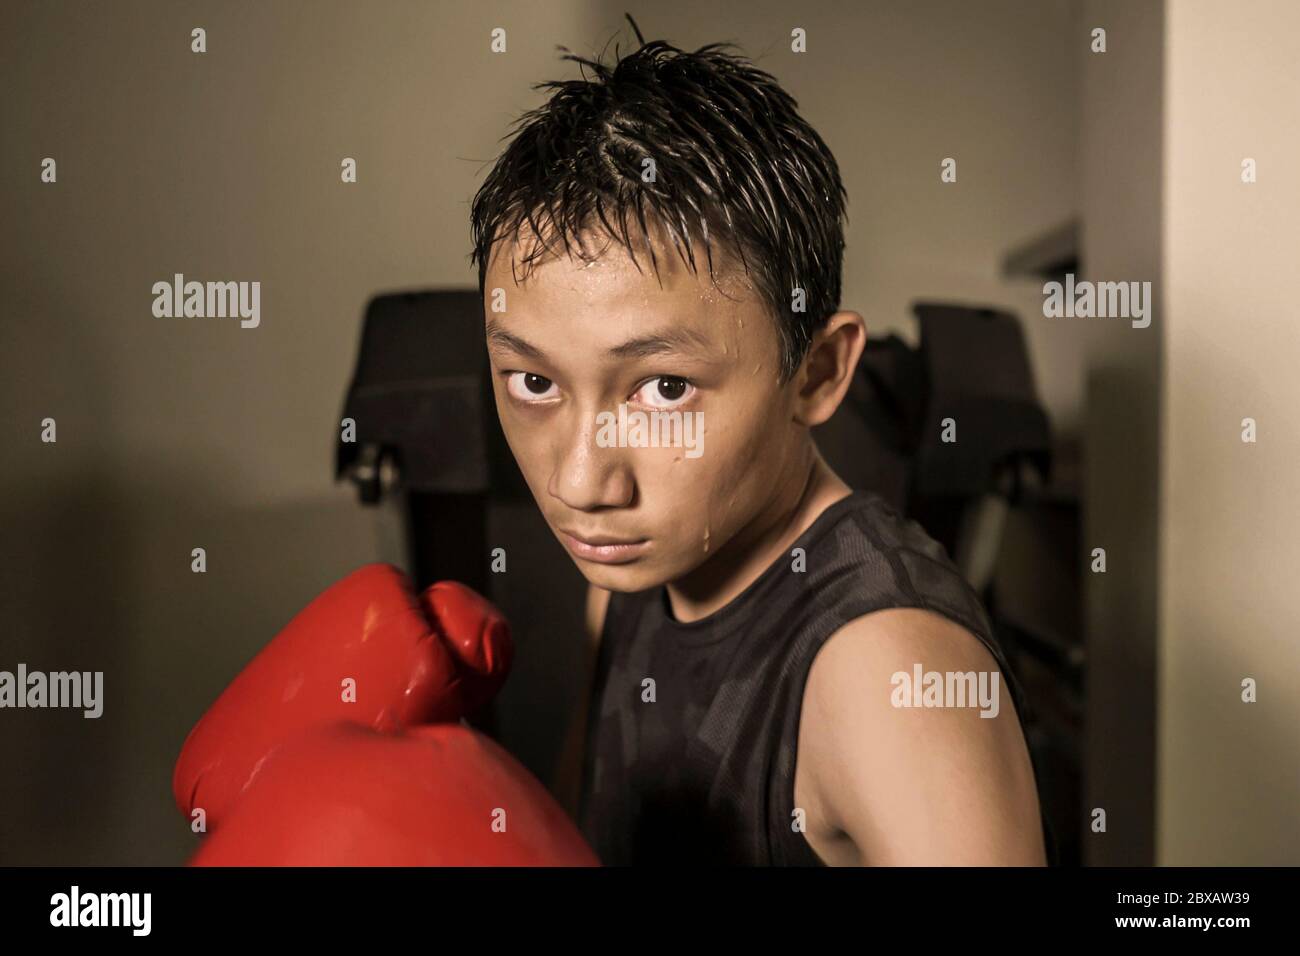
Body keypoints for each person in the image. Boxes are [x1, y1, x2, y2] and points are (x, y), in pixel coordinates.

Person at [468, 19, 1047, 866]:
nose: (582, 480)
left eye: (664, 388)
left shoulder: (889, 675)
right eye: (535, 383)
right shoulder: (625, 573)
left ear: (815, 373)